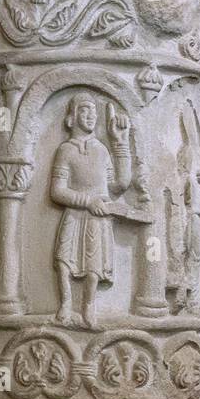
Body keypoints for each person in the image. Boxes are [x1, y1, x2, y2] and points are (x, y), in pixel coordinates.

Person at [50, 92, 131, 328]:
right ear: (71, 118)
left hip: (99, 216)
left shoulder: (102, 150)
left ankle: (88, 306)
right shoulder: (66, 150)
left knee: (94, 264)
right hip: (76, 213)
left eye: (93, 111)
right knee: (64, 259)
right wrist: (87, 201)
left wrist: (120, 142)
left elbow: (119, 185)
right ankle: (65, 303)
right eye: (84, 110)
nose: (91, 115)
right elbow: (57, 191)